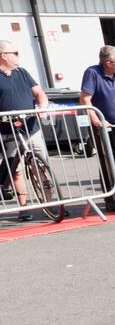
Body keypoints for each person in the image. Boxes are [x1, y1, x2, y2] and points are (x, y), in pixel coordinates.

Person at [0, 40, 50, 221]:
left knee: (41, 165)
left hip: (31, 128)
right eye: (15, 53)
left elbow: (39, 92)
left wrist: (42, 106)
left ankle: (51, 204)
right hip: (8, 131)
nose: (18, 56)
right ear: (3, 55)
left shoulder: (22, 73)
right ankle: (24, 208)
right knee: (17, 170)